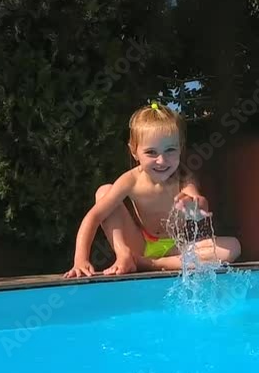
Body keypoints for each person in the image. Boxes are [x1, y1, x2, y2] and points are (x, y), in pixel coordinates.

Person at [64, 102, 241, 278]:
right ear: (134, 151)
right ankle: (123, 253)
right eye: (151, 152)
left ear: (180, 148)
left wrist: (194, 206)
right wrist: (80, 260)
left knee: (232, 248)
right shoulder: (130, 180)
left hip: (177, 247)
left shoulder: (183, 178)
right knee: (104, 191)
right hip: (140, 244)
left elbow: (198, 202)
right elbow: (93, 217)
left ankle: (149, 264)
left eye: (170, 150)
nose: (162, 161)